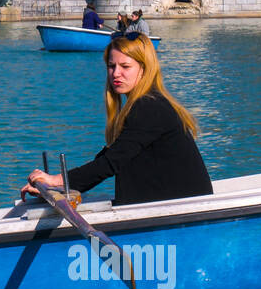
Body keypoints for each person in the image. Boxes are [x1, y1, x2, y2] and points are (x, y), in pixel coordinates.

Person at [21, 33, 212, 207]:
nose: (116, 73)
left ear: (144, 69)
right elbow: (110, 156)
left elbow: (110, 163)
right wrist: (61, 184)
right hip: (168, 203)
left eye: (125, 66)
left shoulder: (149, 107)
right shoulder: (147, 103)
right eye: (112, 66)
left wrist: (57, 181)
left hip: (183, 210)